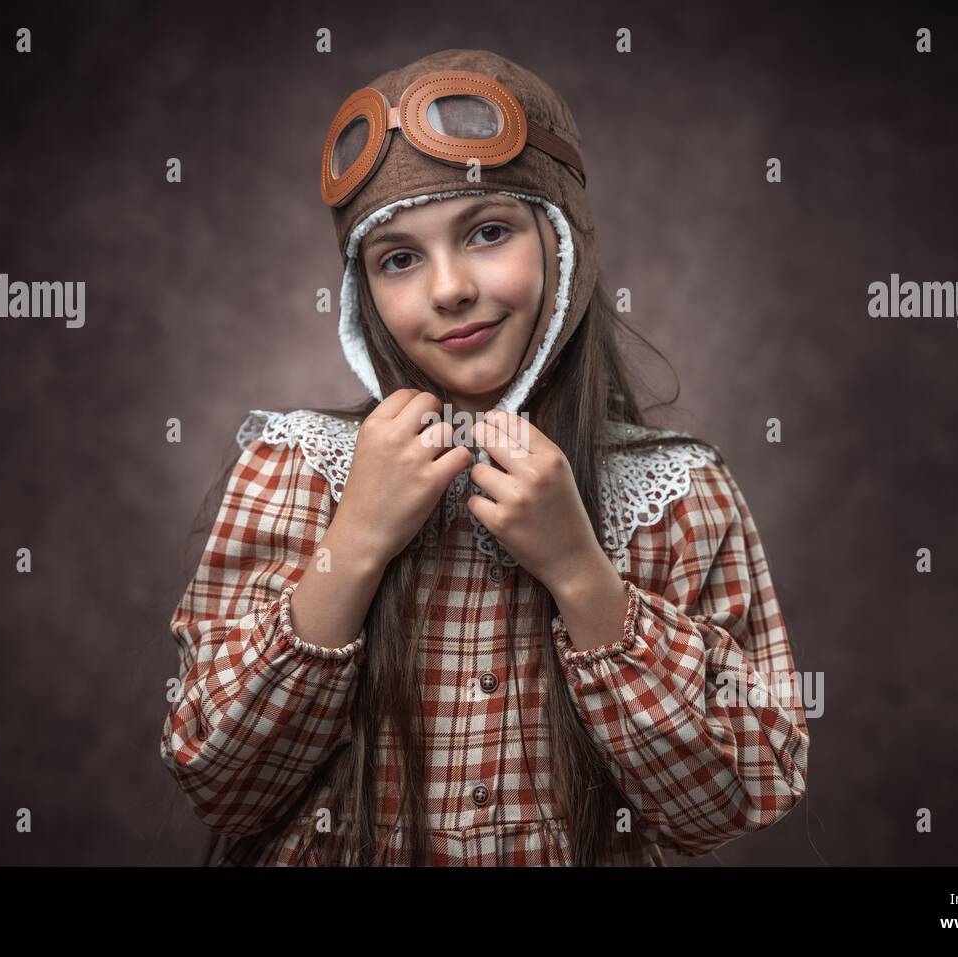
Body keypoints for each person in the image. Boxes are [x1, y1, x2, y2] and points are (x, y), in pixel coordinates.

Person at [159, 47, 809, 866]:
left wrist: (581, 573)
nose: (449, 289)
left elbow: (736, 796)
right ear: (364, 297)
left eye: (488, 231)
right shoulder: (295, 469)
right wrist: (355, 540)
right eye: (399, 257)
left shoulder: (677, 493)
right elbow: (220, 777)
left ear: (564, 245)